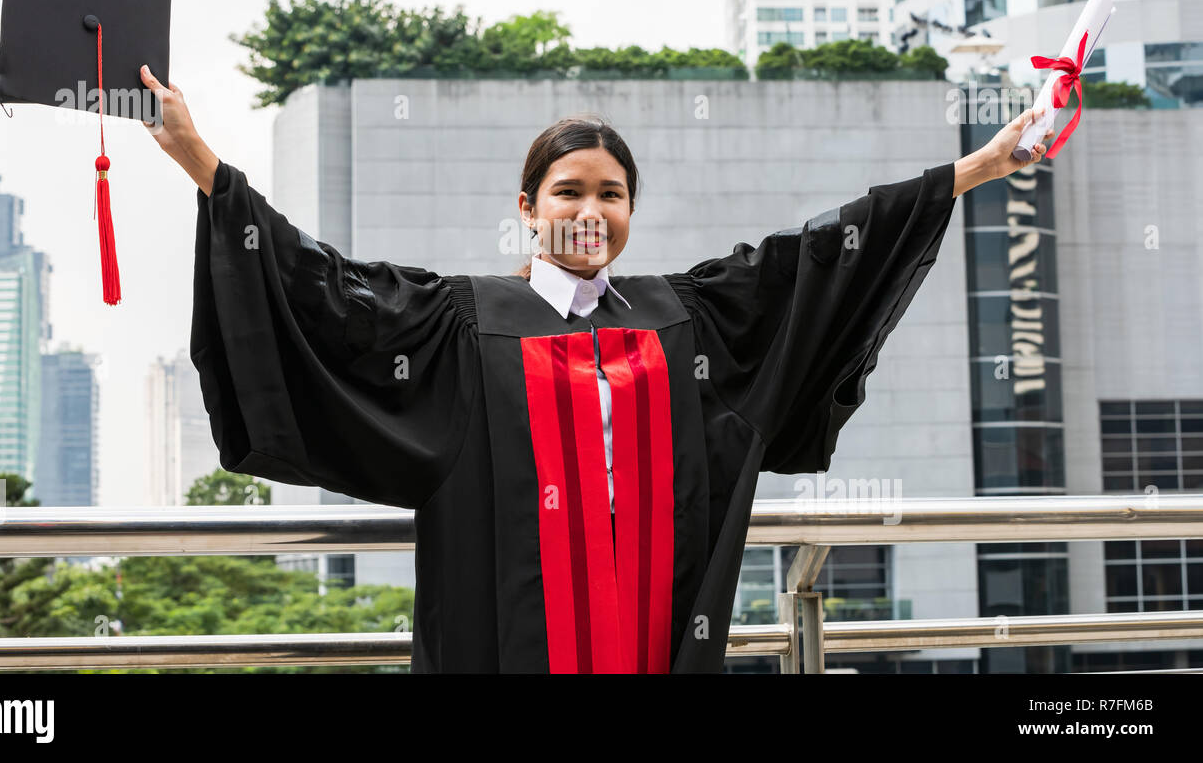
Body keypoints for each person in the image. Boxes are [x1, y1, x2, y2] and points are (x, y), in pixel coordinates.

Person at [139, 63, 1053, 673]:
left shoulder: (685, 317)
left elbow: (817, 257)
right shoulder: (462, 325)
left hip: (654, 636)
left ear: (630, 210)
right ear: (528, 208)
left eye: (609, 194)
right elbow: (321, 287)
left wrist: (979, 167)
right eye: (567, 191)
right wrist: (198, 159)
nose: (590, 209)